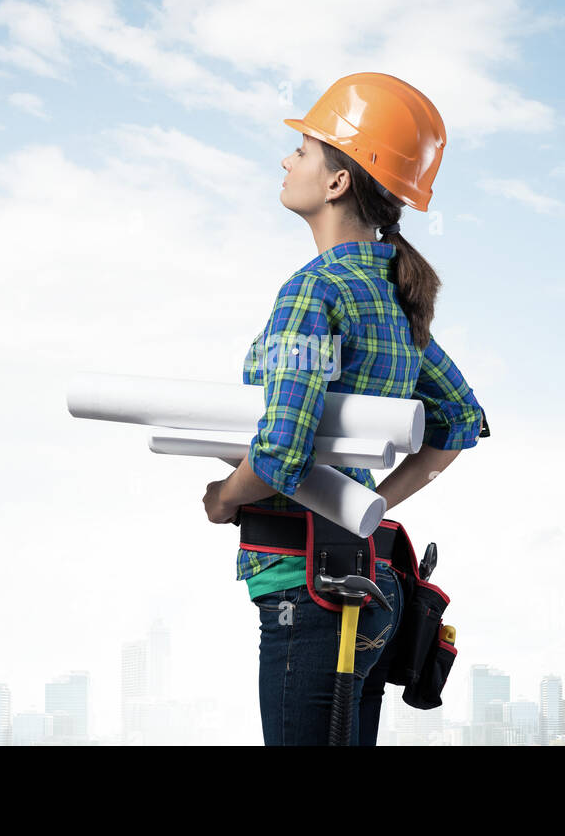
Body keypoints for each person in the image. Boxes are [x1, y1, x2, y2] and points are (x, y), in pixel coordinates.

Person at [201, 72, 487, 745]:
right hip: (369, 590)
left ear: (336, 182)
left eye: (303, 150)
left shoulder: (316, 291)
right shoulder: (393, 296)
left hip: (308, 592)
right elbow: (459, 422)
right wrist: (373, 505)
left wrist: (222, 498)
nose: (286, 159)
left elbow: (279, 453)